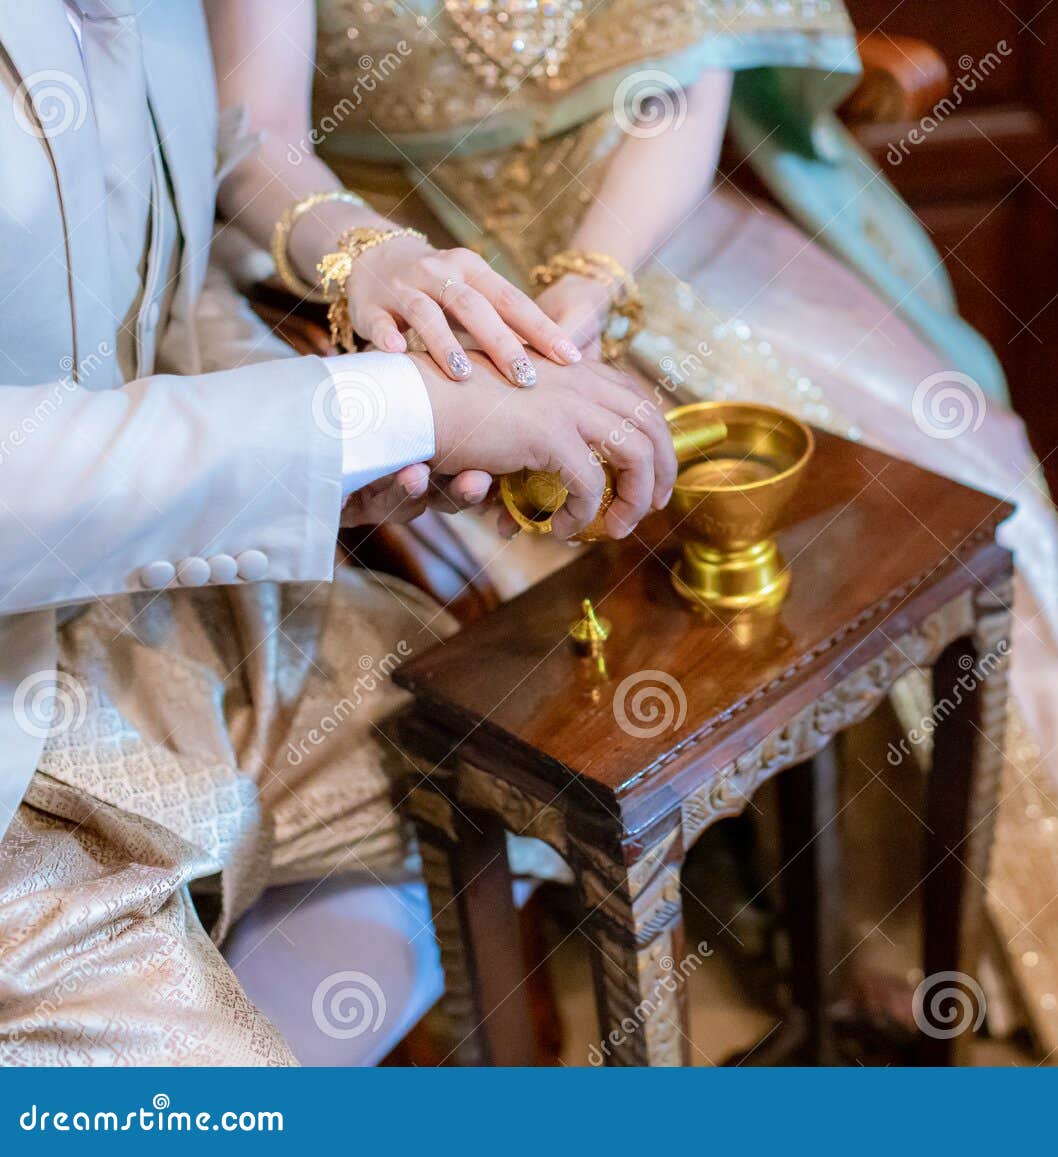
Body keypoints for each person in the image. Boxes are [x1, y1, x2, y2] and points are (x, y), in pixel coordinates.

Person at [200, 0, 1058, 1051]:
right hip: (426, 287)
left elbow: (684, 70)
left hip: (643, 229)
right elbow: (256, 139)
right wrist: (380, 268)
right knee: (587, 596)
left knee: (944, 500)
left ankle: (897, 935)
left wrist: (586, 288)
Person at [0, 0, 673, 1064]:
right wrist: (389, 408)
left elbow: (162, 259)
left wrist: (333, 446)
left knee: (527, 764)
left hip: (130, 605)